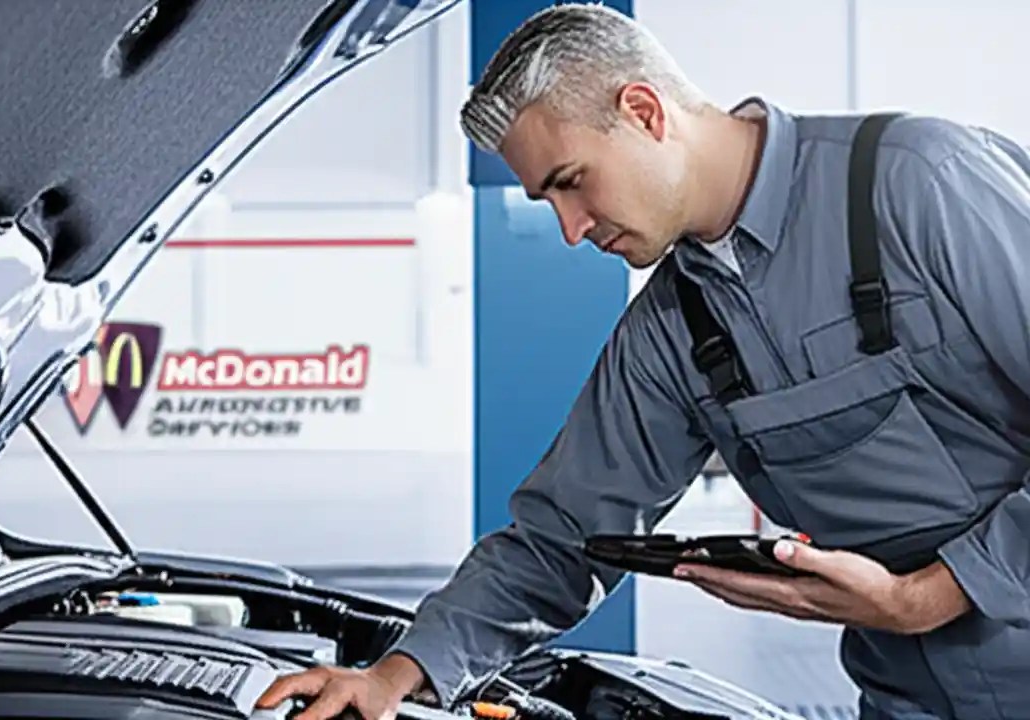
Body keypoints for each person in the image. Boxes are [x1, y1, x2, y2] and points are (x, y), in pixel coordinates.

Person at [257, 3, 1030, 718]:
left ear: (643, 112)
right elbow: (560, 537)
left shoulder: (919, 183)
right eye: (545, 201)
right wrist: (395, 675)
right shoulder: (671, 330)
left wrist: (929, 594)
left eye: (570, 182)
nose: (569, 228)